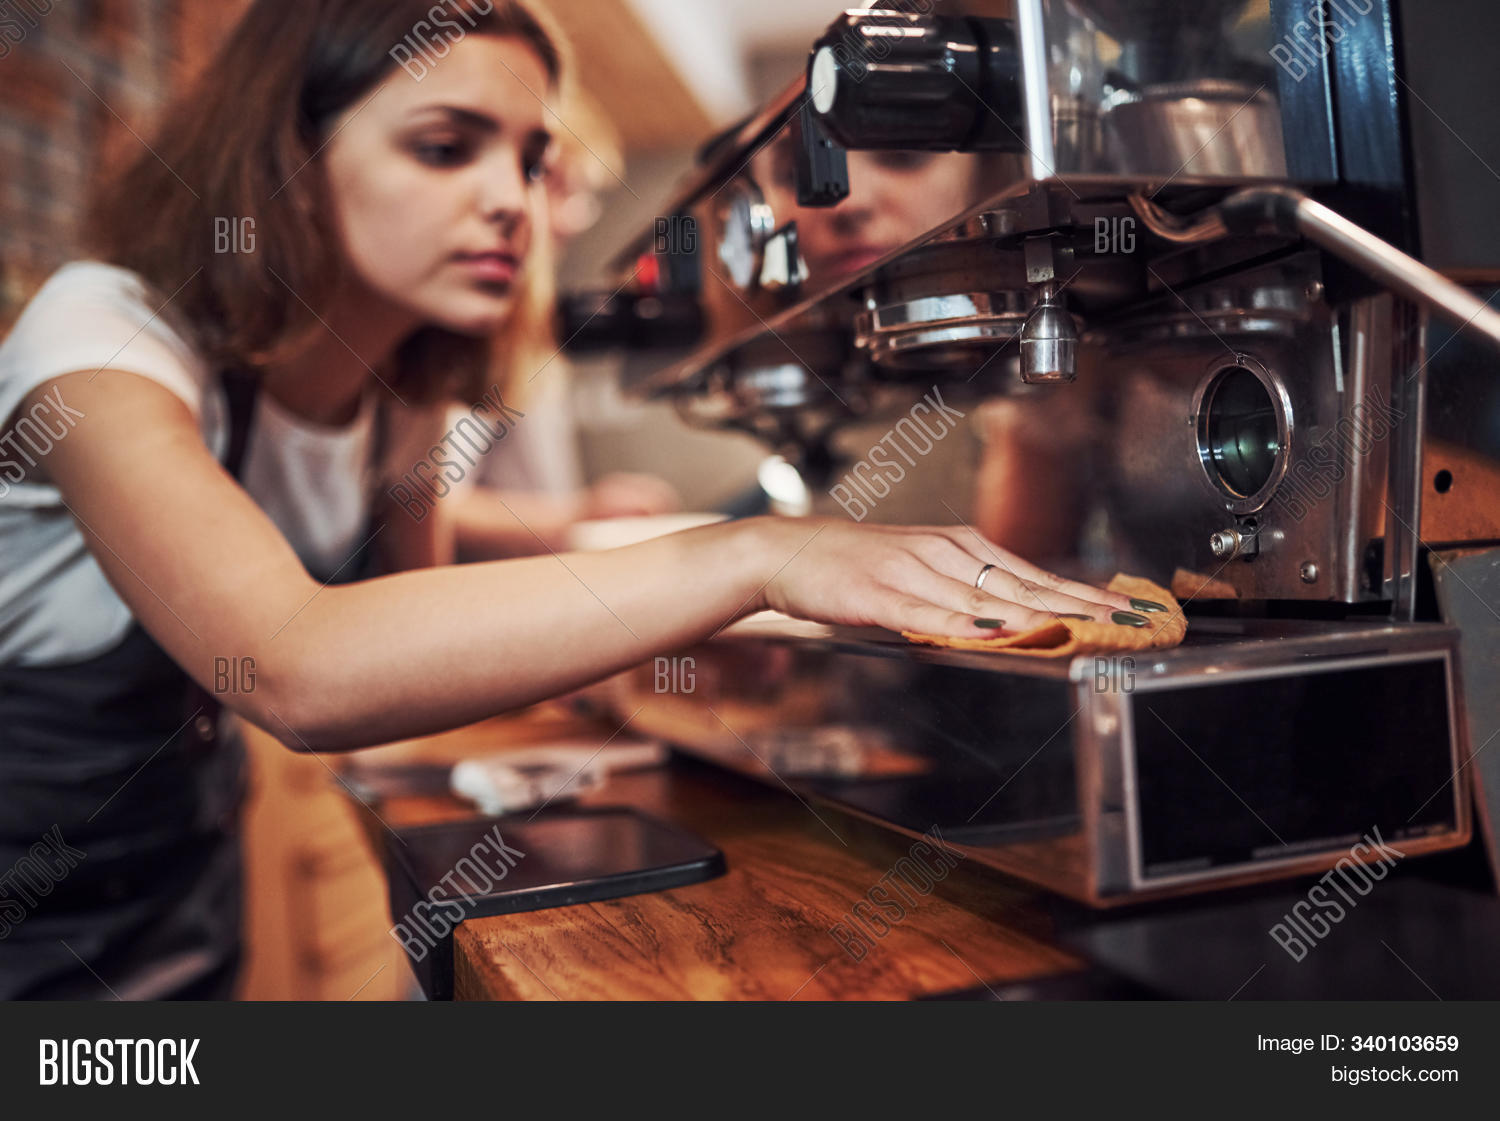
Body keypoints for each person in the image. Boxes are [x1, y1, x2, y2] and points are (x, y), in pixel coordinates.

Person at [0, 0, 1149, 1000]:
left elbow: (426, 617)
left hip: (164, 862)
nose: (512, 200)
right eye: (447, 147)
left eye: (530, 158)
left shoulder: (400, 381)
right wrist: (749, 557)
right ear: (284, 154)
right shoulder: (101, 339)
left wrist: (698, 632)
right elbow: (291, 664)